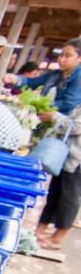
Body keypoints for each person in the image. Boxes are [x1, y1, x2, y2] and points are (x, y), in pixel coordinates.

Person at [35, 101, 81, 249]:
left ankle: (57, 238)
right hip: (67, 156)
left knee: (69, 198)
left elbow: (76, 127)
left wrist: (55, 117)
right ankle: (39, 231)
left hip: (76, 160)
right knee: (55, 194)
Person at [9, 38, 81, 124]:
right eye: (61, 55)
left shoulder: (78, 78)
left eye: (67, 56)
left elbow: (68, 104)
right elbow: (32, 83)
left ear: (79, 58)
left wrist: (35, 105)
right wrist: (16, 79)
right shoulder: (55, 74)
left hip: (61, 126)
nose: (61, 59)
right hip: (44, 119)